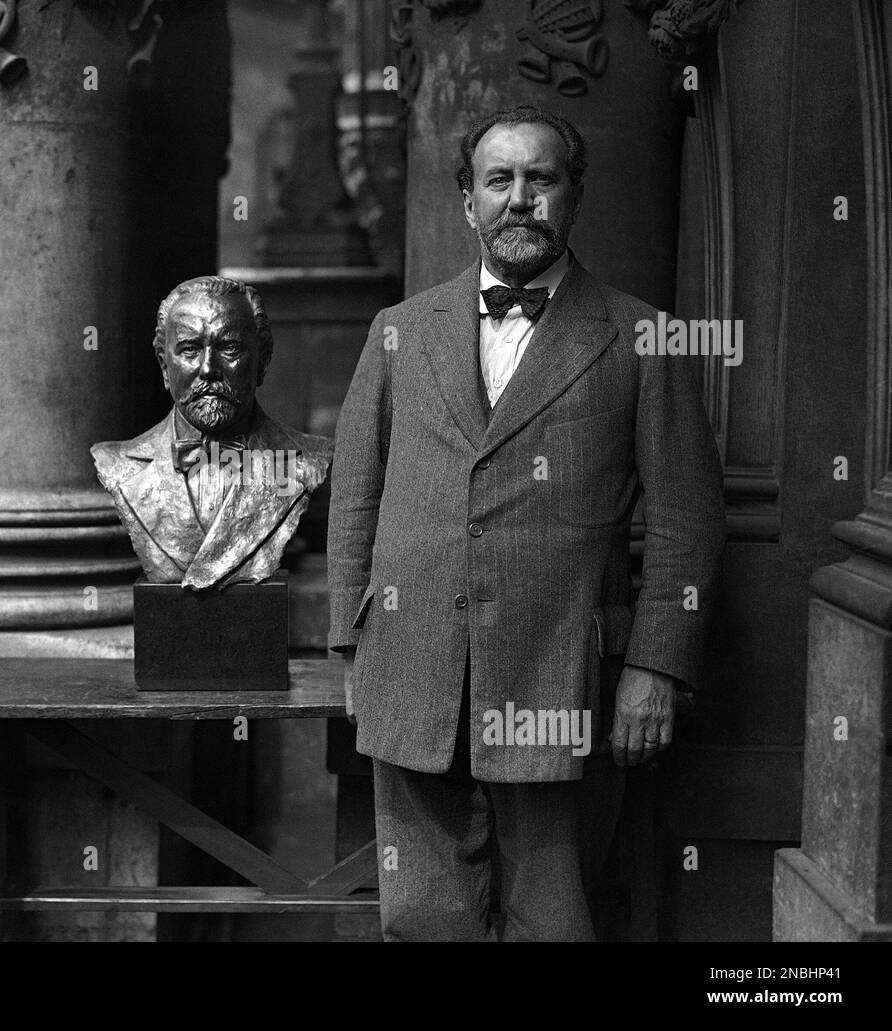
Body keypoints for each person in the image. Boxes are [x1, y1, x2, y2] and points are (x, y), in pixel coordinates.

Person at [326, 105, 726, 941]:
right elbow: (357, 497)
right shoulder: (397, 333)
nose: (519, 199)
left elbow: (688, 520)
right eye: (498, 180)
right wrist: (350, 648)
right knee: (424, 921)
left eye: (541, 180)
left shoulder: (644, 337)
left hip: (560, 680)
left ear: (574, 199)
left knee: (557, 920)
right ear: (467, 201)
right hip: (413, 673)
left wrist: (656, 666)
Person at [92, 275, 332, 590]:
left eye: (229, 347)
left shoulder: (309, 461)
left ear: (262, 360)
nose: (208, 368)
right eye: (189, 349)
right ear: (165, 365)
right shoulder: (117, 465)